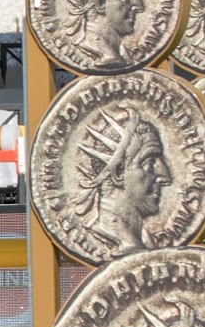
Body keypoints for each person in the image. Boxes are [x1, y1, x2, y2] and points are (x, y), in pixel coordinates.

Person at [73, 103, 174, 254]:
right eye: (150, 162)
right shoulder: (102, 238)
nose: (165, 177)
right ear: (118, 173)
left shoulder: (150, 242)